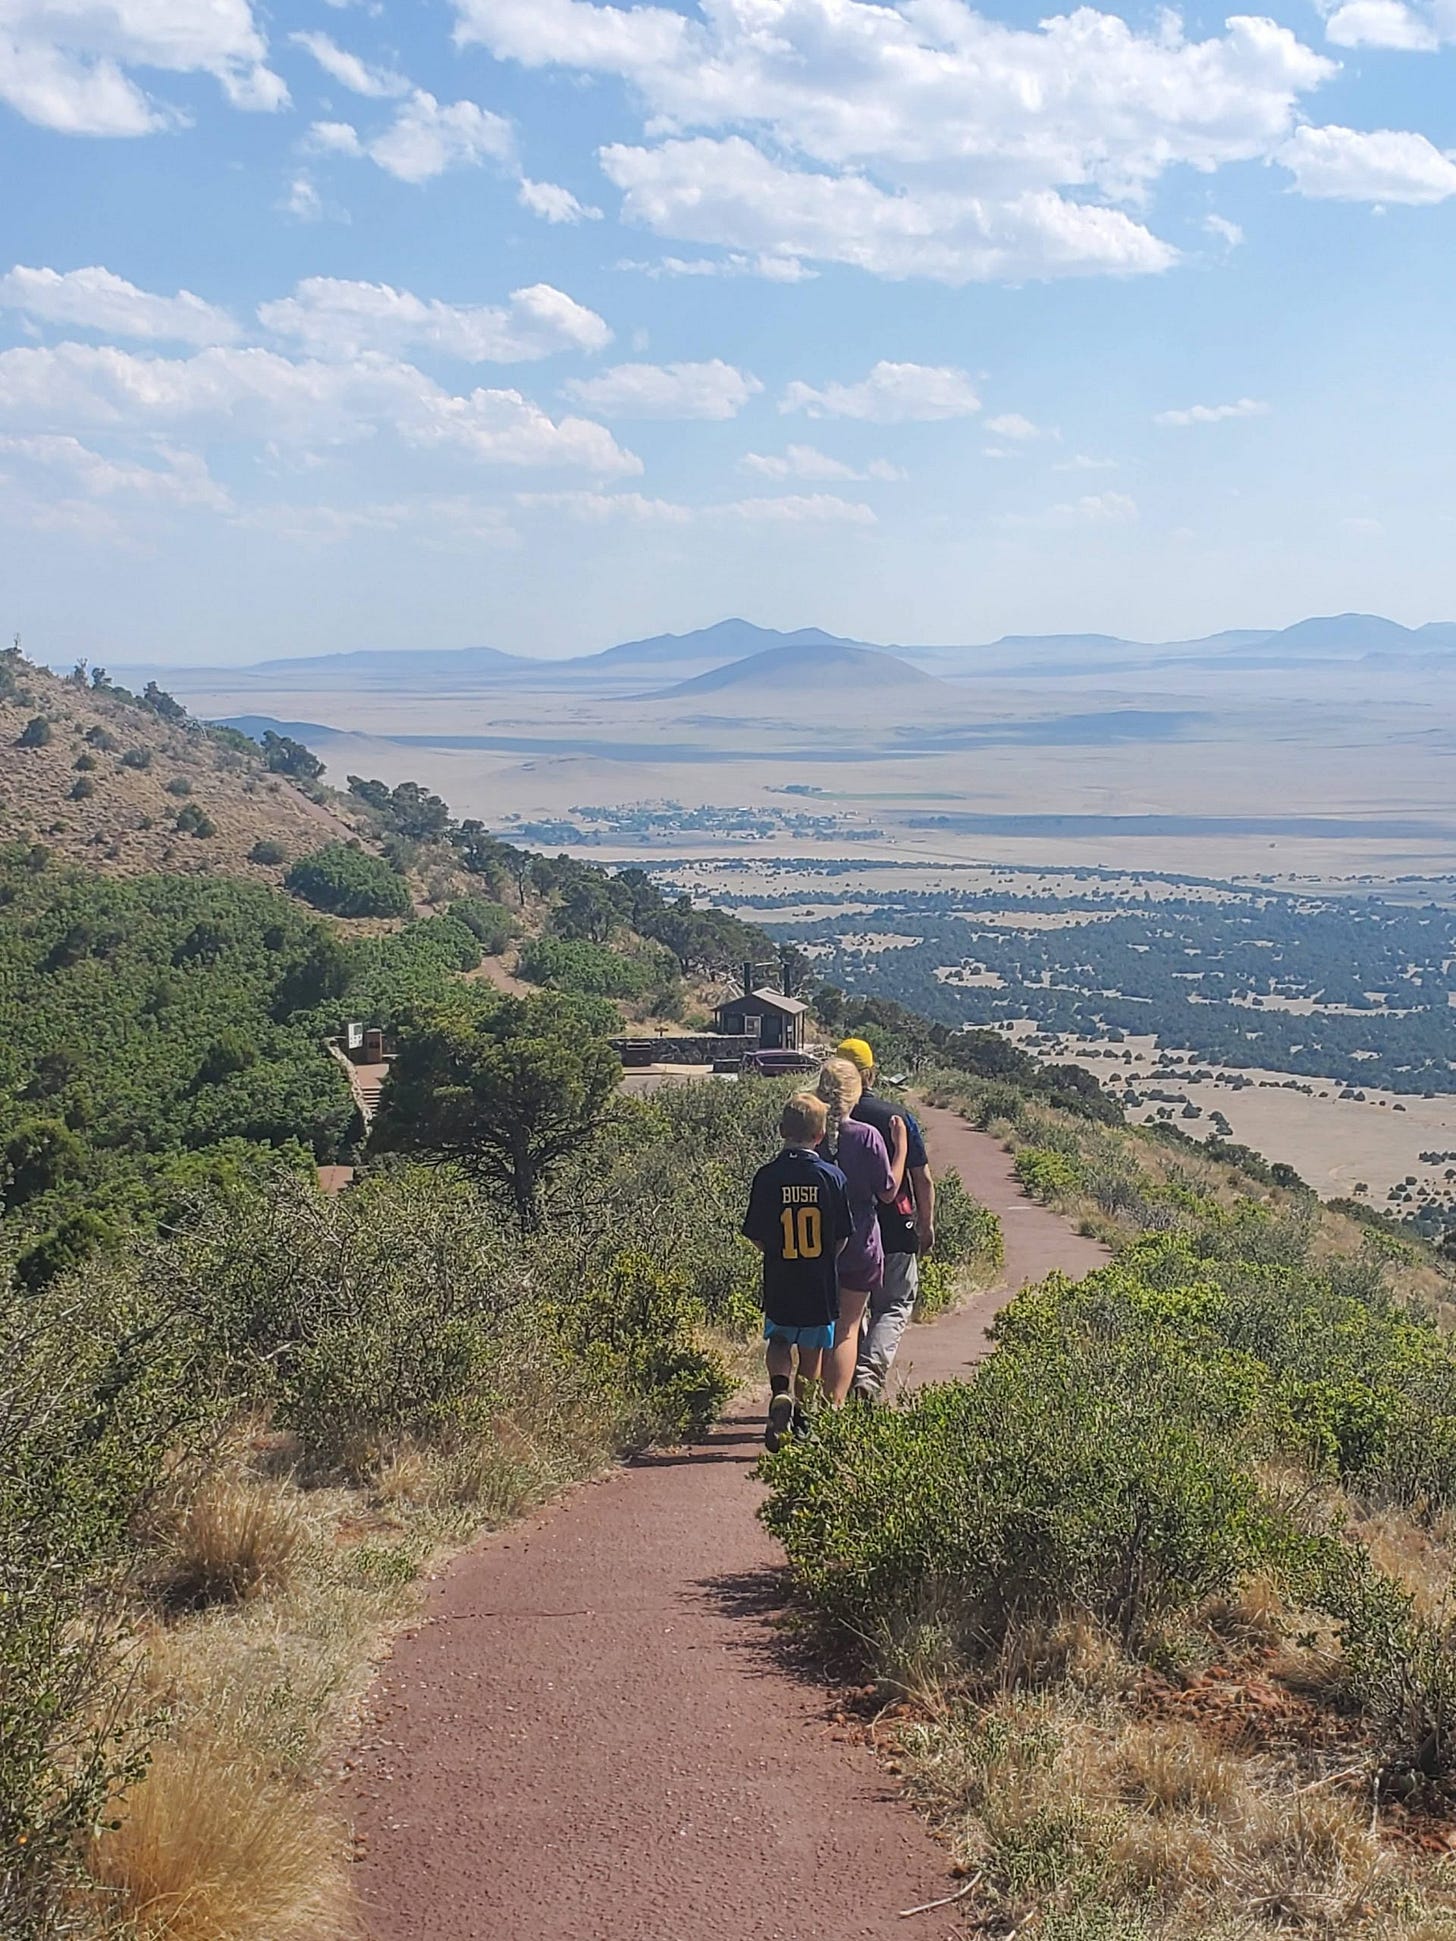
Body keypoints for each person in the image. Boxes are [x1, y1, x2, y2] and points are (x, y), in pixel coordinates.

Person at [741, 1093, 851, 1450]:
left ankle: (779, 1390)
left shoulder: (767, 1177)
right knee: (812, 1351)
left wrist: (776, 1252)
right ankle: (803, 1421)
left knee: (779, 1340)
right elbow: (842, 1236)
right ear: (821, 1135)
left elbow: (755, 1233)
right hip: (819, 1280)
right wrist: (824, 1259)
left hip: (781, 1276)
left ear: (781, 1131)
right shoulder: (832, 1177)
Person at [835, 1037, 936, 1402]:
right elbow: (922, 1178)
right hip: (894, 1225)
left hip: (839, 1230)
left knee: (848, 1312)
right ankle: (868, 1375)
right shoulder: (895, 1117)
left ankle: (842, 1383)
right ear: (871, 1074)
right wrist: (926, 1224)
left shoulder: (821, 1117)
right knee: (893, 1303)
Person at [814, 1056, 905, 1404]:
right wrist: (900, 1148)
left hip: (818, 1240)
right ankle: (834, 1405)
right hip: (861, 1239)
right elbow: (887, 1192)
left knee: (821, 1326)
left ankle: (808, 1400)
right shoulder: (867, 1136)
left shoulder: (813, 1134)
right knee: (848, 1328)